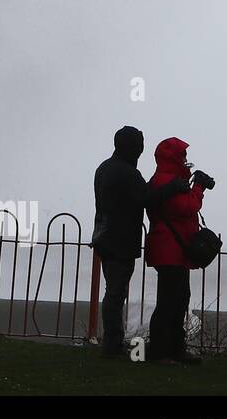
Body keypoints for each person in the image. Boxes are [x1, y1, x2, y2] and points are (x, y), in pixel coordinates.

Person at [90, 126, 188, 358]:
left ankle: (112, 342)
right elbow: (147, 198)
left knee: (113, 291)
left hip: (105, 236)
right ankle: (113, 344)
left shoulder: (104, 168)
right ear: (133, 147)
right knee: (116, 293)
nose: (141, 150)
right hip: (119, 240)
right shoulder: (127, 173)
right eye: (139, 144)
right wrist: (173, 187)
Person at [144, 137, 215, 364]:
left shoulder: (167, 179)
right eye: (182, 155)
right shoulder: (165, 180)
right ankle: (160, 351)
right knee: (169, 301)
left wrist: (193, 185)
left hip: (173, 249)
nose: (185, 159)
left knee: (179, 298)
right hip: (169, 249)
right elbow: (187, 207)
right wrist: (199, 188)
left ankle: (174, 348)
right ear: (173, 157)